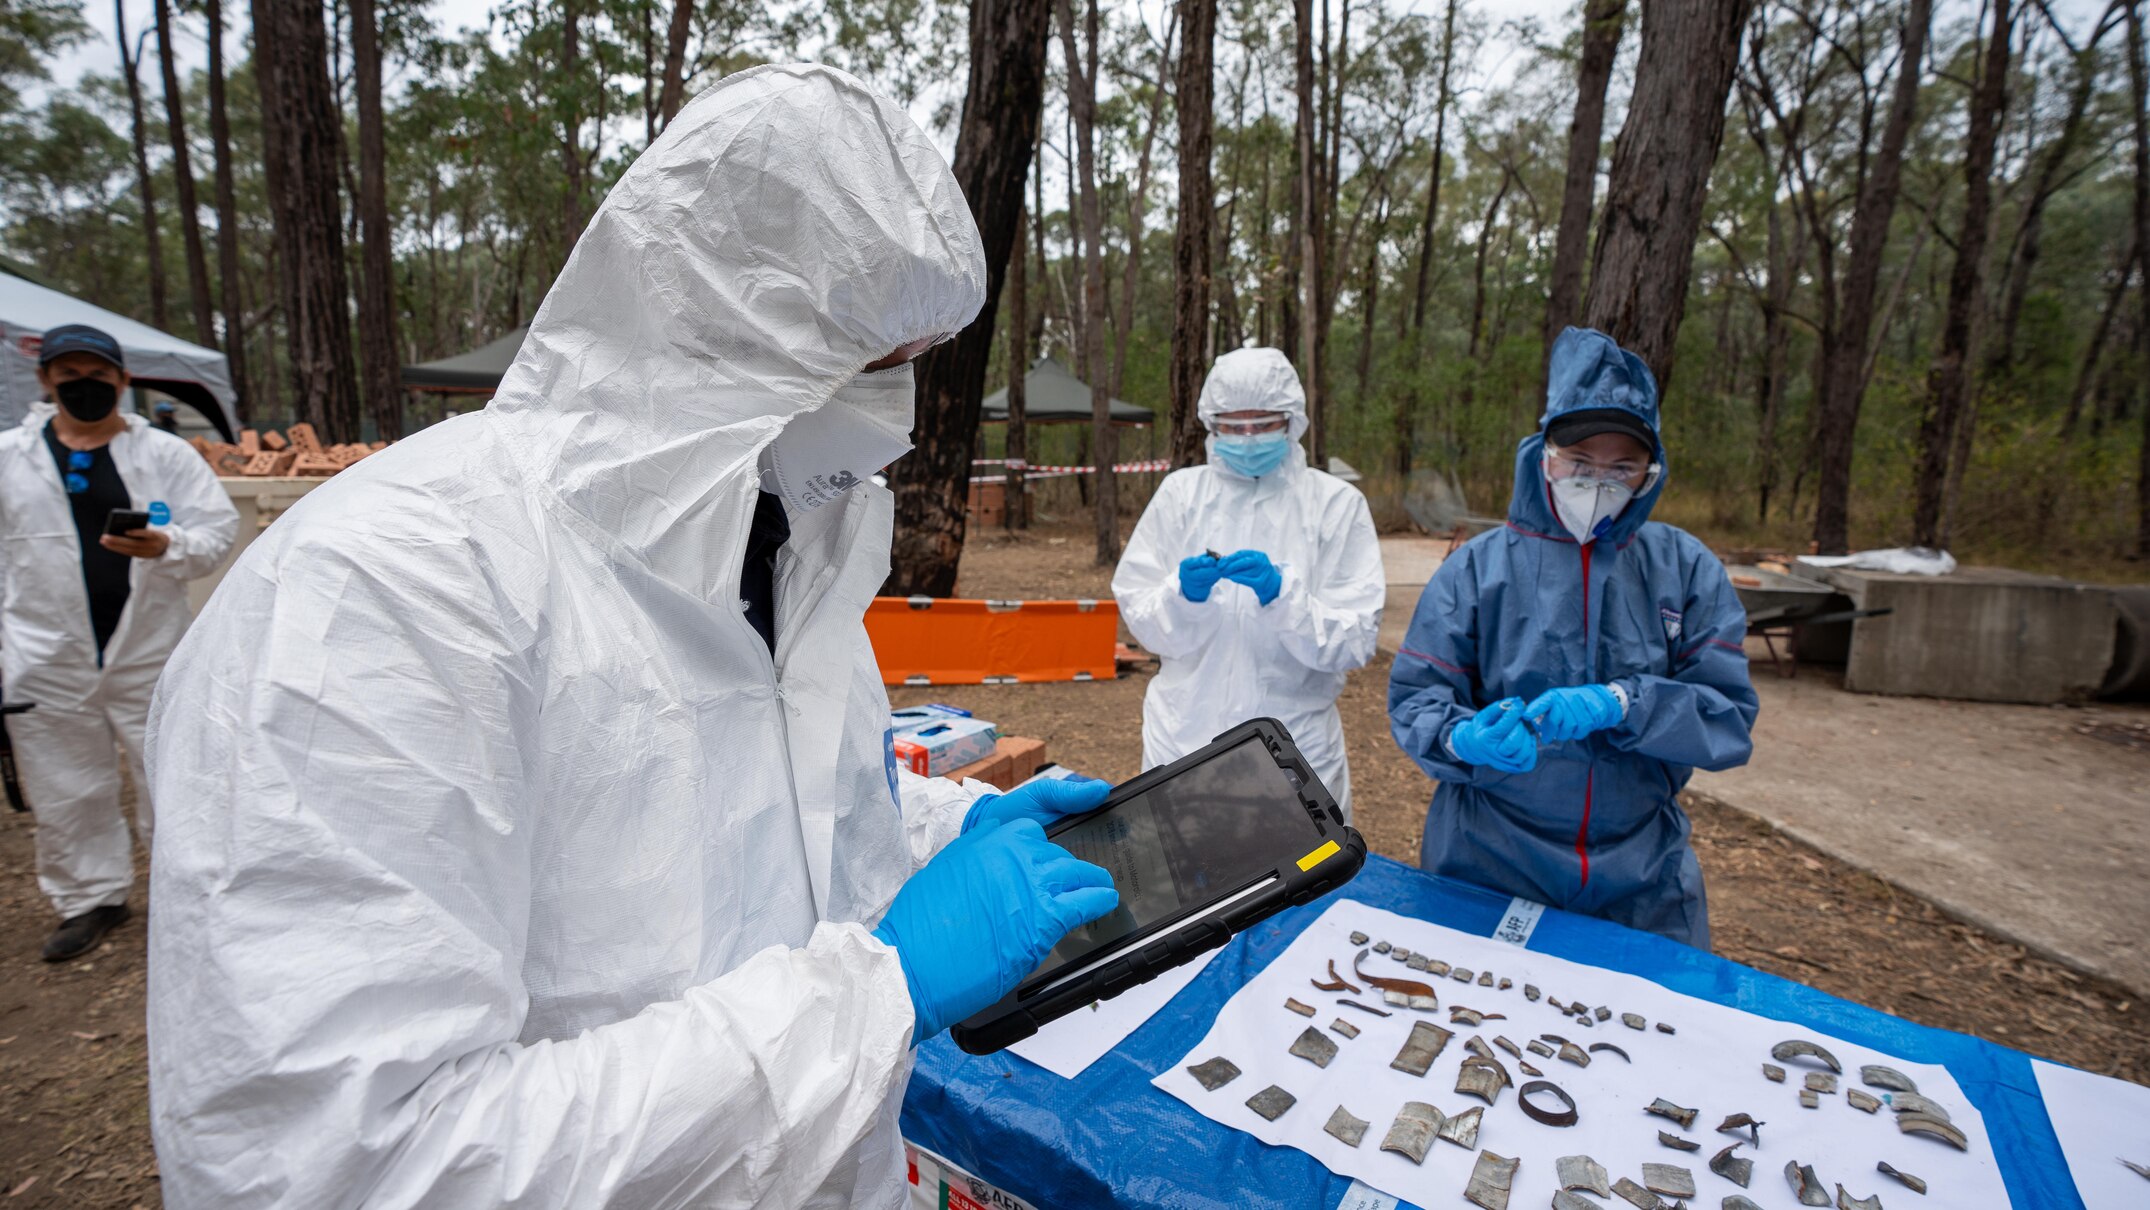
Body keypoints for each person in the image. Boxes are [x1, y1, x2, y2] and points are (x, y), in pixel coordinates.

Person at [145, 65, 1121, 1208]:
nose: (888, 413)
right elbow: (342, 1164)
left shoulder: (784, 538)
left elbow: (764, 819)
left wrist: (941, 831)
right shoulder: (380, 596)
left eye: (909, 367)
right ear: (711, 328)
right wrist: (880, 988)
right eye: (864, 365)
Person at [1387, 327, 1757, 948]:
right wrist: (1463, 738)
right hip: (1488, 854)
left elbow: (1726, 719)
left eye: (1622, 468)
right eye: (1579, 464)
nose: (1597, 483)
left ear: (1650, 473)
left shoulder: (1684, 568)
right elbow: (1419, 698)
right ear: (1544, 456)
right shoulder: (1478, 569)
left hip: (1640, 870)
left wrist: (1624, 703)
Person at [0, 323, 237, 961]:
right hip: (43, 653)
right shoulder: (7, 458)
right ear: (45, 381)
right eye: (69, 377)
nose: (84, 387)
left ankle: (186, 894)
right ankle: (90, 898)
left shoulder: (164, 454)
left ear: (122, 380)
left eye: (97, 377)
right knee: (65, 782)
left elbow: (217, 529)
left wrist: (169, 545)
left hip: (149, 648)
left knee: (173, 770)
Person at [1112, 347, 1383, 818]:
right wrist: (1183, 597)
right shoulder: (1181, 495)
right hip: (1183, 738)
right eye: (1233, 427)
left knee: (1301, 882)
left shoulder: (1336, 505)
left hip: (1294, 751)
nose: (1248, 438)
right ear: (1211, 426)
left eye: (1263, 425)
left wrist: (1282, 597)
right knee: (1183, 879)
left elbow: (1354, 641)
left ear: (1292, 422)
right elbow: (1142, 616)